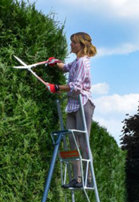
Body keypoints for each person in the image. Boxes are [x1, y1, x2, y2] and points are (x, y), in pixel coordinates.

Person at [46, 32, 97, 189]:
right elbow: (65, 68)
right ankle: (77, 179)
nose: (70, 45)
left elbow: (76, 86)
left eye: (73, 42)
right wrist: (55, 62)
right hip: (73, 105)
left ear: (81, 44)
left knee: (83, 141)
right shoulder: (76, 62)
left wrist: (56, 88)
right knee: (72, 142)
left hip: (83, 104)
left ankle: (88, 178)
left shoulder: (83, 62)